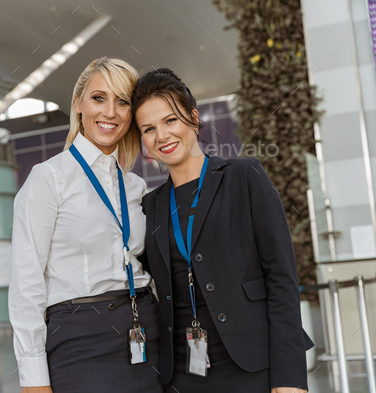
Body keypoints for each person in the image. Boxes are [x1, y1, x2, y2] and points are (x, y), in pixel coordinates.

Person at [132, 68, 314, 393]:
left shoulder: (244, 177)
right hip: (183, 375)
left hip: (253, 366)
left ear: (193, 117)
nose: (162, 136)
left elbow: (281, 277)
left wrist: (290, 380)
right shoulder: (150, 206)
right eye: (149, 128)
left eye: (170, 120)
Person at [8, 57, 163, 393]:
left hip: (145, 331)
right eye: (98, 98)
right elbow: (26, 284)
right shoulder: (48, 179)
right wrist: (33, 379)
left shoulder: (135, 186)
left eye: (122, 101)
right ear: (78, 104)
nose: (110, 112)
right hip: (80, 340)